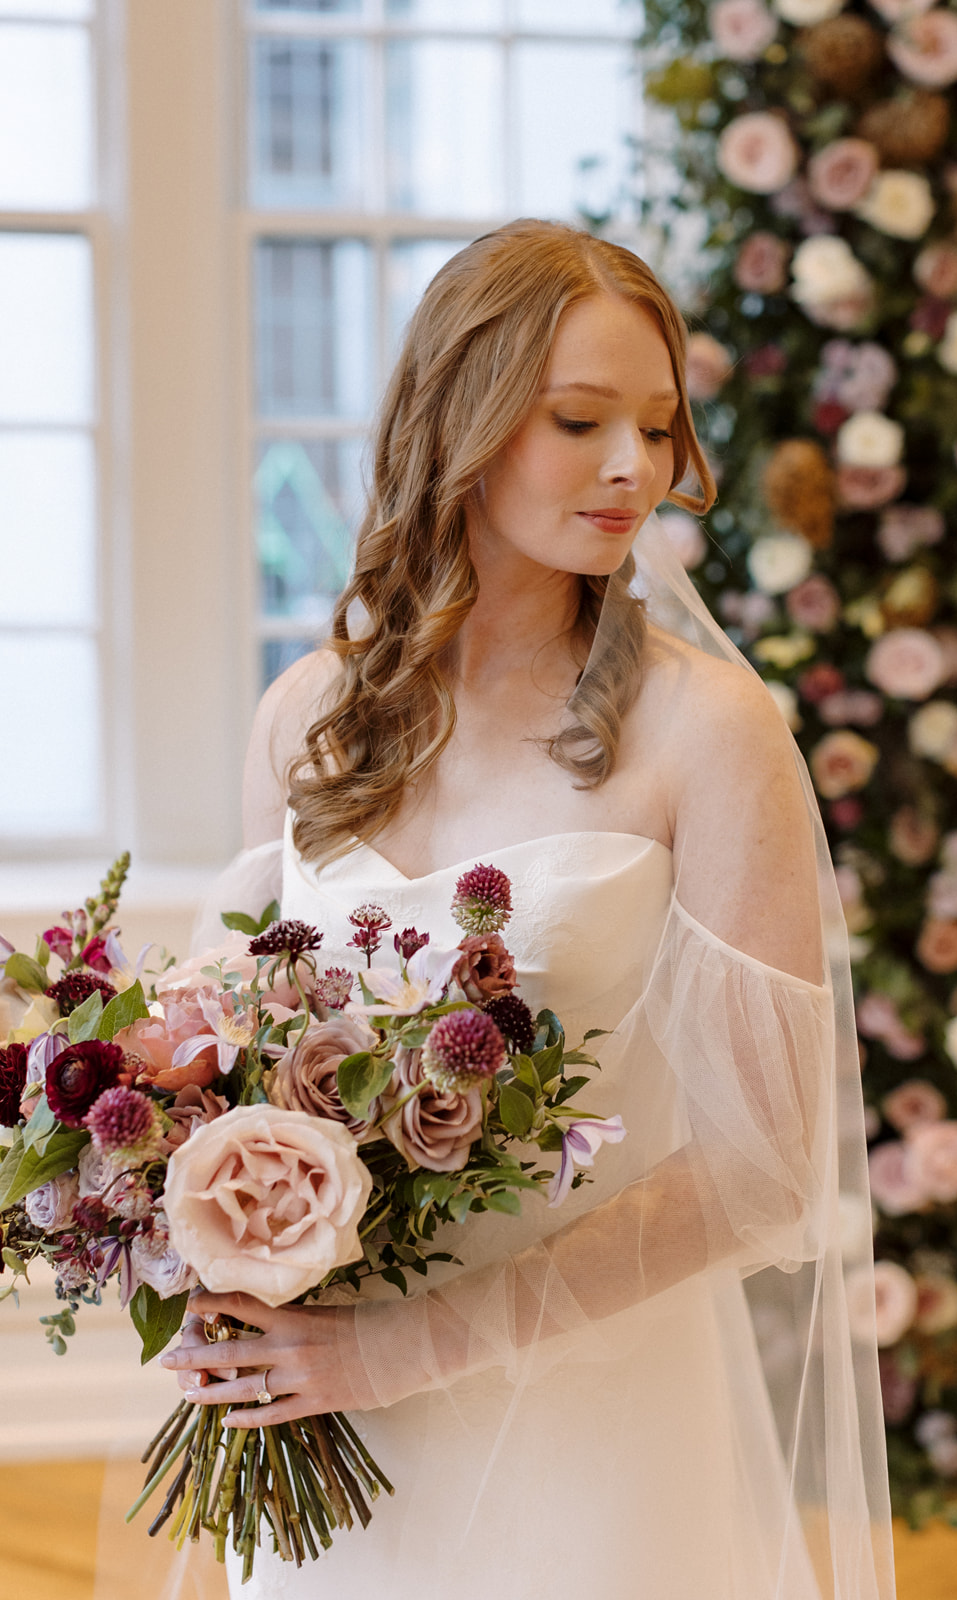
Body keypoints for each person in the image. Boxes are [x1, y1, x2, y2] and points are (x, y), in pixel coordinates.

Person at [160, 220, 895, 1599]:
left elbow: (763, 1169)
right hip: (324, 1416)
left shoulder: (707, 731)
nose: (636, 468)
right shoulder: (309, 717)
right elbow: (223, 1063)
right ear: (463, 420)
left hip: (590, 1424)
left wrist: (404, 1348)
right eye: (580, 420)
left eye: (661, 427)